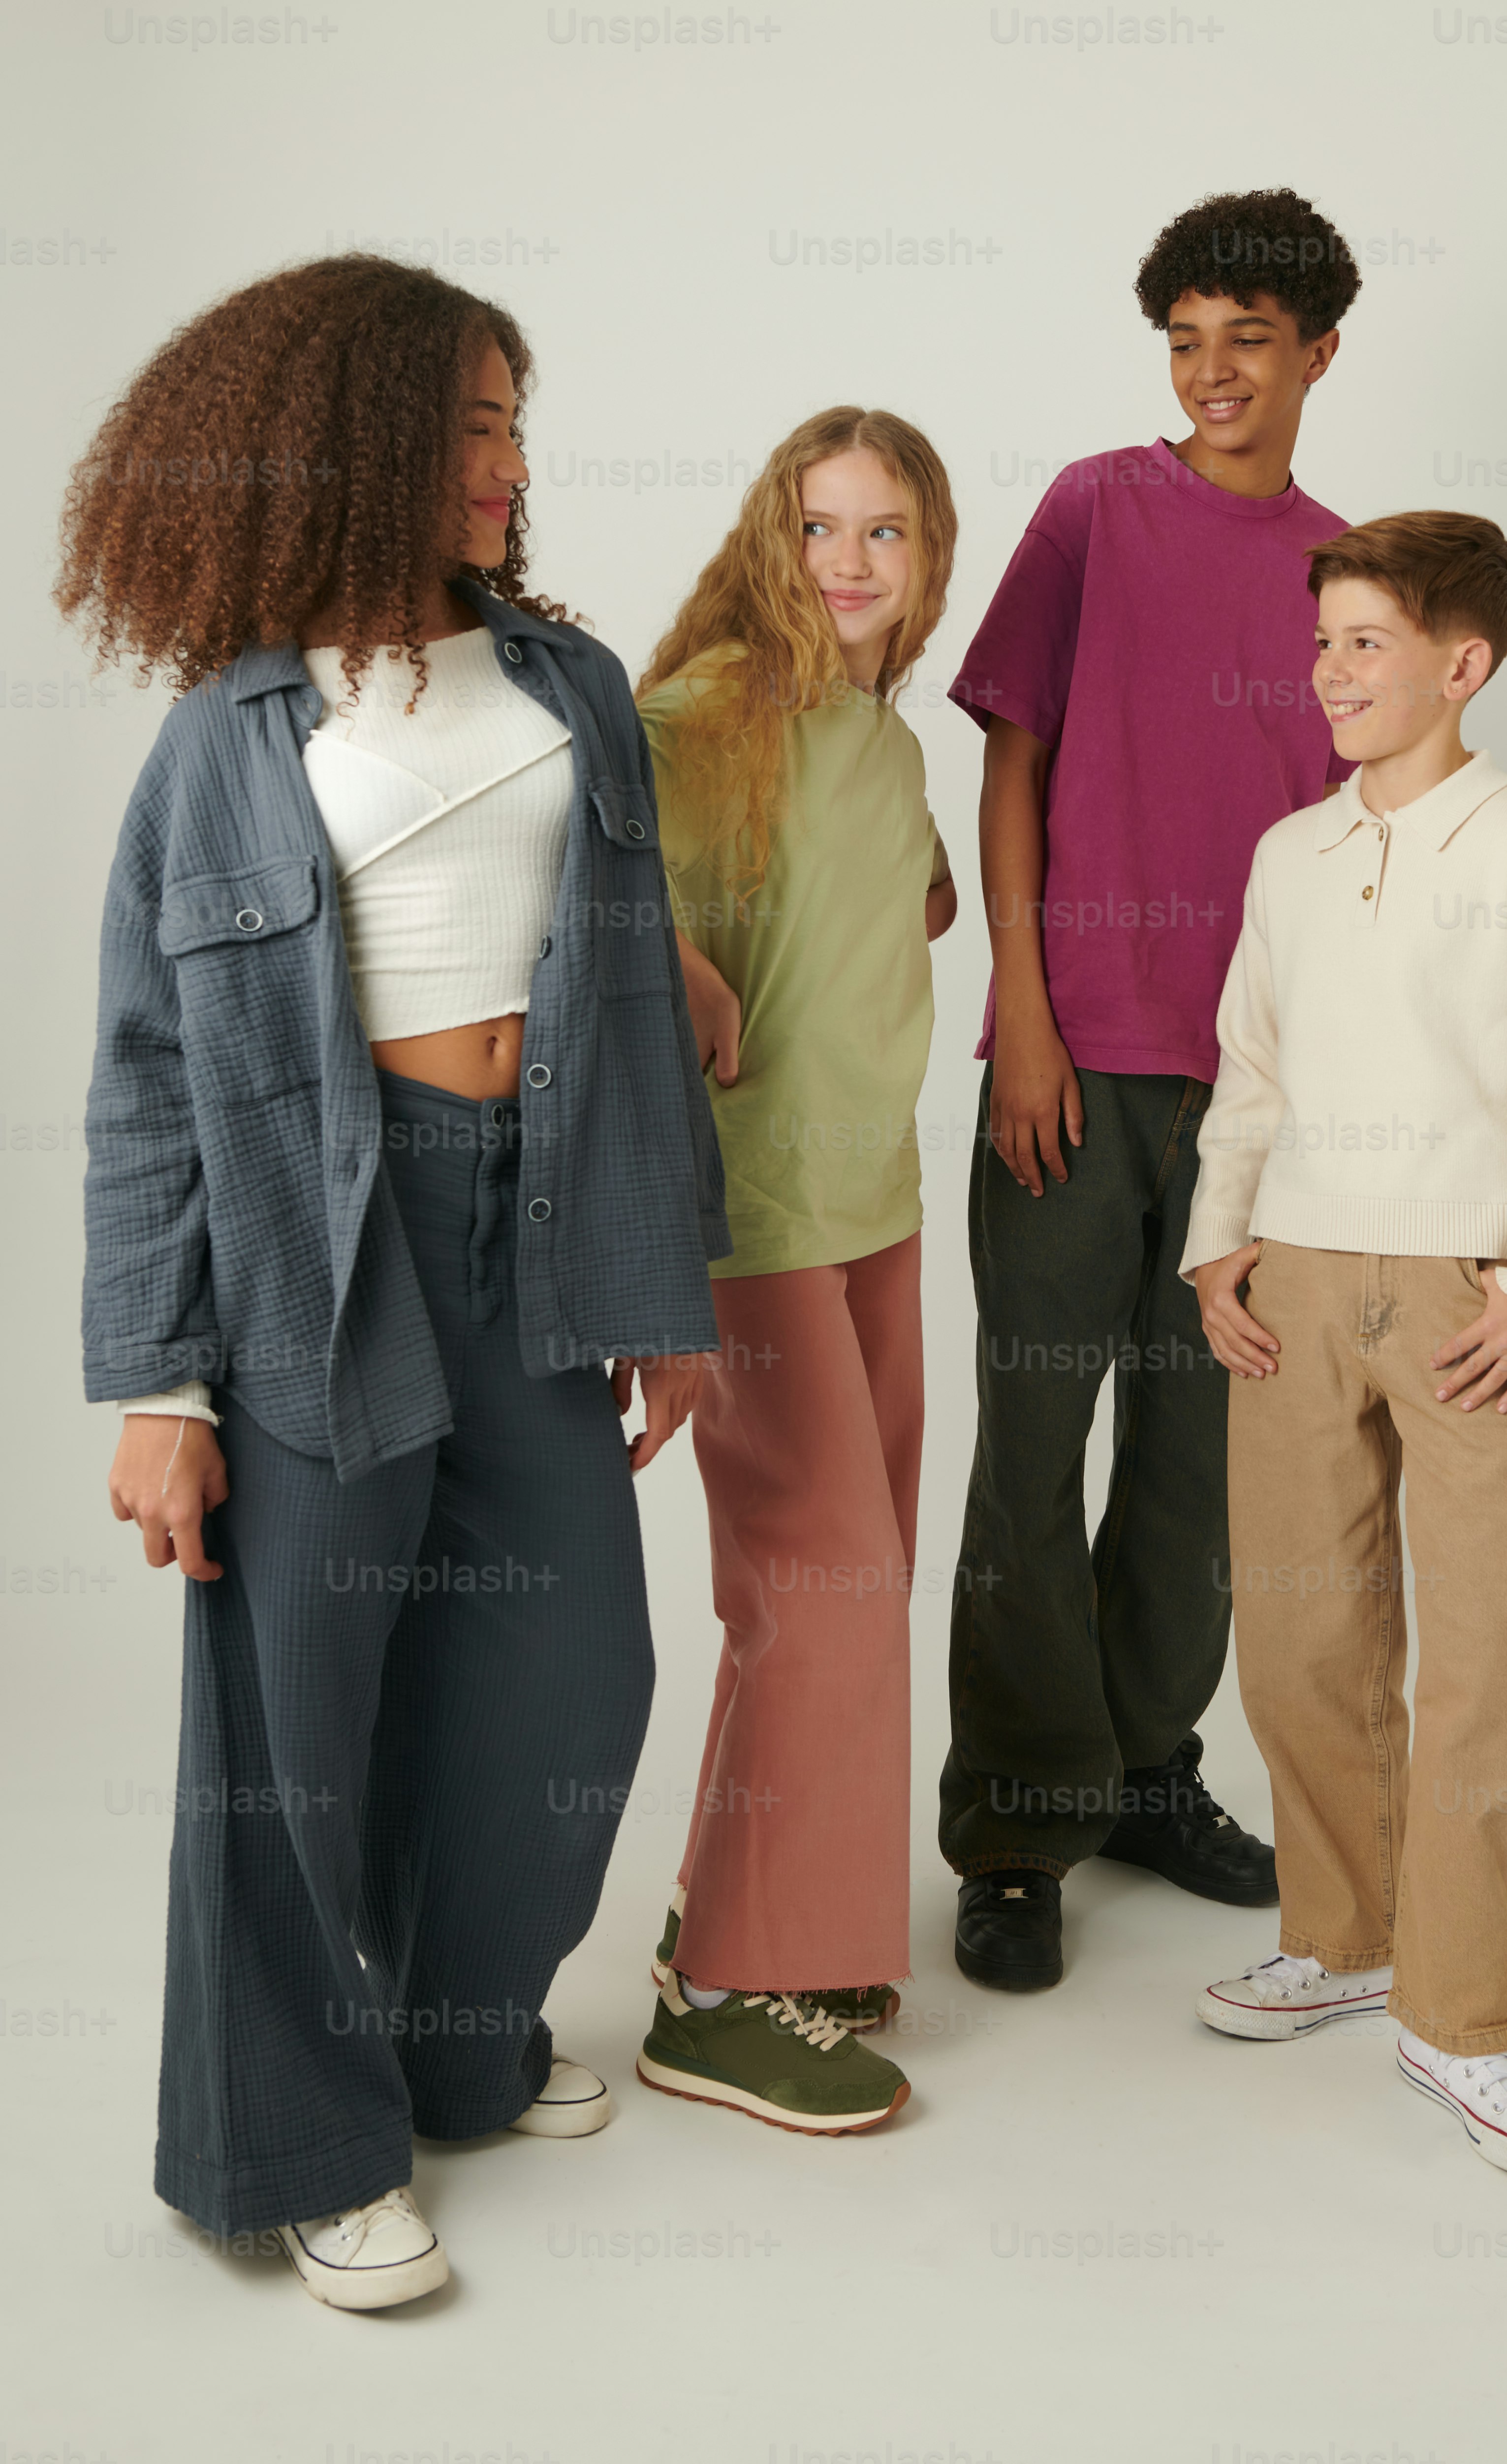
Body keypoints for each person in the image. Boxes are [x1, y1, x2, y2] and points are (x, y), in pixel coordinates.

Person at [64, 255, 727, 2308]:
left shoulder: (569, 687)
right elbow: (148, 1075)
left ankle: (458, 2045)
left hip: (542, 1225)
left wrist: (660, 1280)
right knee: (293, 1713)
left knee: (574, 1667)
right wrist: (160, 1389)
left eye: (517, 424)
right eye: (468, 427)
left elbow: (630, 982)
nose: (508, 465)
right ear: (356, 446)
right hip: (323, 1241)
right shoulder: (229, 733)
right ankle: (296, 2146)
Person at [1185, 511, 1507, 2182]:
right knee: (1297, 1638)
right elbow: (1251, 1067)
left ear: (1464, 664)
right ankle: (1346, 1937)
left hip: (1474, 1298)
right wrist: (1216, 1248)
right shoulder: (1290, 856)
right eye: (1324, 643)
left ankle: (1466, 2025)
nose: (1332, 673)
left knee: (1471, 1666)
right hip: (1297, 1284)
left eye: (1367, 643)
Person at [938, 189, 1359, 1992]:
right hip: (1078, 1060)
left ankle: (1143, 1774)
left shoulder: (1349, 572)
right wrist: (1025, 1015)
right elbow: (1013, 763)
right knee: (1033, 1453)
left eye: (1247, 341)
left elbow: (1352, 847)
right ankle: (1019, 1825)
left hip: (1258, 1096)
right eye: (1184, 343)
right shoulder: (1093, 508)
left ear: (1319, 352)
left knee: (1201, 1466)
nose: (1210, 374)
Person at [631, 407, 958, 2134]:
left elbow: (905, 907)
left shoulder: (891, 745)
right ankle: (730, 1995)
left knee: (843, 1587)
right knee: (826, 1587)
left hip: (875, 1214)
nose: (849, 561)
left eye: (884, 531)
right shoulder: (696, 719)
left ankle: (751, 1910)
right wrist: (666, 945)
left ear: (929, 556)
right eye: (820, 527)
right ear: (773, 537)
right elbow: (576, 892)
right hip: (750, 1226)